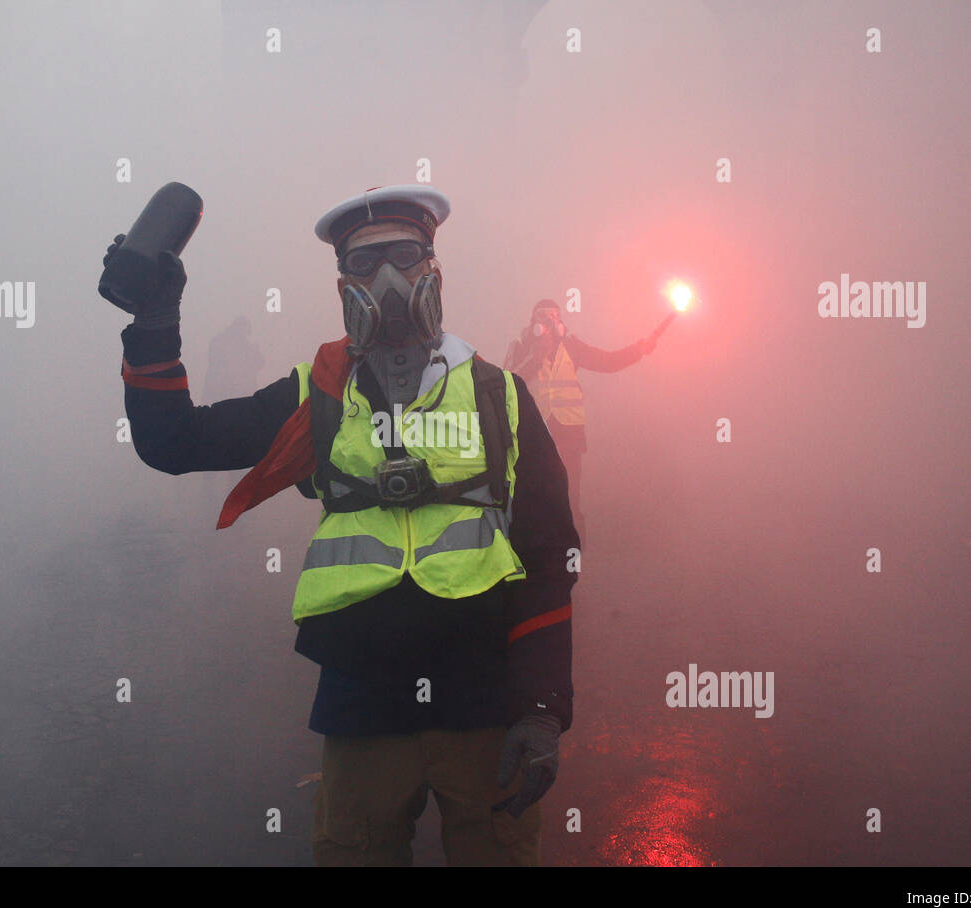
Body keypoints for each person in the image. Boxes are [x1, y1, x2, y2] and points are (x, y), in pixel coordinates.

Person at [104, 185, 579, 866]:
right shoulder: (318, 394)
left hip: (484, 702)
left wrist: (541, 708)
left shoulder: (496, 395)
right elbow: (173, 443)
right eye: (364, 263)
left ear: (433, 268)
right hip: (363, 705)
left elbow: (551, 552)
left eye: (403, 255)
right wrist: (153, 321)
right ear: (341, 284)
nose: (386, 278)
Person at [504, 299, 657, 545]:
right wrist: (537, 355)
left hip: (568, 435)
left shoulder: (572, 347)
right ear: (533, 323)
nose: (550, 323)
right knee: (530, 493)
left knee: (568, 495)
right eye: (544, 317)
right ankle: (529, 552)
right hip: (532, 437)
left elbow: (608, 362)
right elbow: (508, 384)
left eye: (555, 317)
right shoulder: (521, 348)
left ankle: (571, 555)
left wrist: (639, 349)